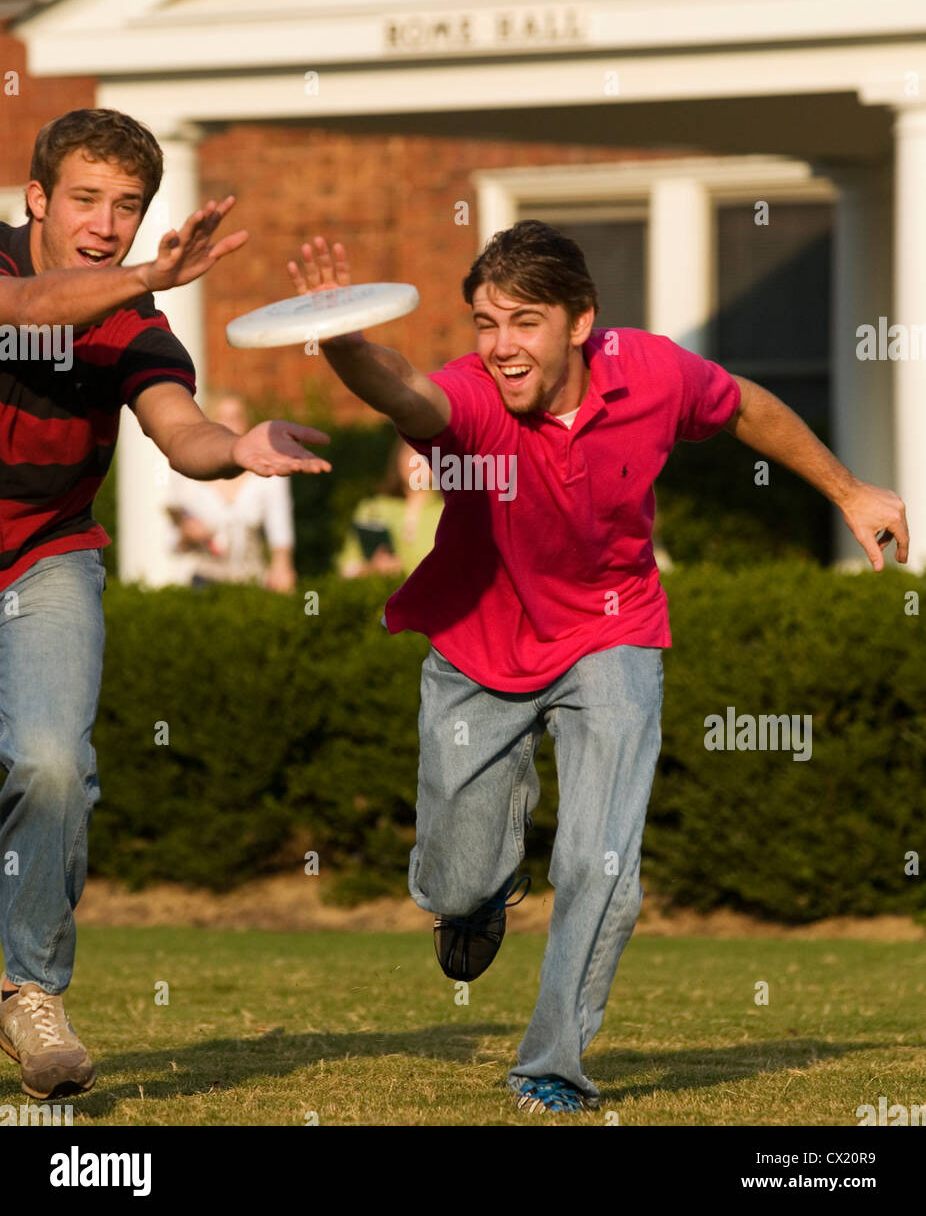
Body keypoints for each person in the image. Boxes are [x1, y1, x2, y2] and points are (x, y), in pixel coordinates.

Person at [288, 222, 908, 1117]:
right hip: (476, 644)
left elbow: (744, 407)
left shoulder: (652, 372)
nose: (500, 347)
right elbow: (408, 394)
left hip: (612, 634)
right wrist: (345, 341)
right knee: (458, 877)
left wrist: (850, 489)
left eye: (524, 323)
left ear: (581, 322)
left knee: (602, 860)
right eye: (484, 322)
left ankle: (552, 1062)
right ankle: (476, 896)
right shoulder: (475, 397)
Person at [0, 108, 331, 1101]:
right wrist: (145, 273)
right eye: (88, 201)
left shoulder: (136, 325)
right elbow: (24, 312)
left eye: (129, 208)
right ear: (37, 200)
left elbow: (176, 428)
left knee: (53, 765)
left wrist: (234, 448)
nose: (107, 224)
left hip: (45, 557)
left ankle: (28, 989)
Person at [166, 392, 297, 592]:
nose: (230, 424)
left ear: (247, 423)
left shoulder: (268, 471)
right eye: (222, 417)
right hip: (202, 581)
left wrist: (282, 567)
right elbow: (173, 539)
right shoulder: (190, 473)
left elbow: (280, 527)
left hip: (253, 582)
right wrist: (188, 533)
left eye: (236, 417)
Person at [337, 434, 442, 579]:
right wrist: (370, 568)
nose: (416, 462)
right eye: (410, 454)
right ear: (398, 459)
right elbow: (345, 567)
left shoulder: (451, 510)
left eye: (423, 456)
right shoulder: (373, 509)